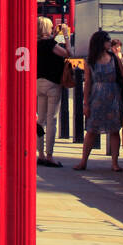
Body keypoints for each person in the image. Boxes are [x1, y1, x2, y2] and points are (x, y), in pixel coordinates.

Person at [74, 29, 123, 173]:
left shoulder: (114, 58)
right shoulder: (90, 61)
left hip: (113, 95)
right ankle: (83, 161)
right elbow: (87, 83)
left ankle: (114, 163)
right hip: (97, 96)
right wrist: (85, 103)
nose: (109, 42)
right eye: (107, 40)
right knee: (92, 130)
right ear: (101, 43)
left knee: (114, 130)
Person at [36, 17, 70, 166]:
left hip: (38, 83)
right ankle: (49, 155)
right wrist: (66, 36)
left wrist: (57, 36)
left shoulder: (35, 43)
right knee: (52, 120)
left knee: (40, 120)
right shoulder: (50, 44)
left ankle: (41, 154)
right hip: (52, 83)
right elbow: (68, 52)